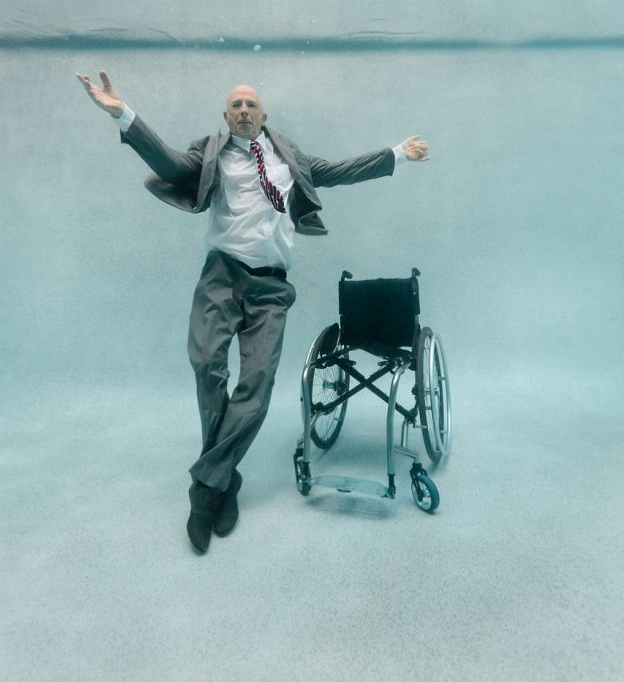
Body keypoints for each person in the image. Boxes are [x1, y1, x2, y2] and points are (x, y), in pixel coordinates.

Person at [76, 72, 428, 555]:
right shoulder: (212, 156)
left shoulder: (290, 158)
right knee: (206, 365)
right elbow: (168, 162)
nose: (243, 110)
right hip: (221, 275)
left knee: (257, 383)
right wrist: (122, 112)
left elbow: (341, 170)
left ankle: (209, 487)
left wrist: (396, 154)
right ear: (226, 117)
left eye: (251, 105)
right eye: (235, 105)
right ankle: (221, 479)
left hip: (271, 287)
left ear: (263, 116)